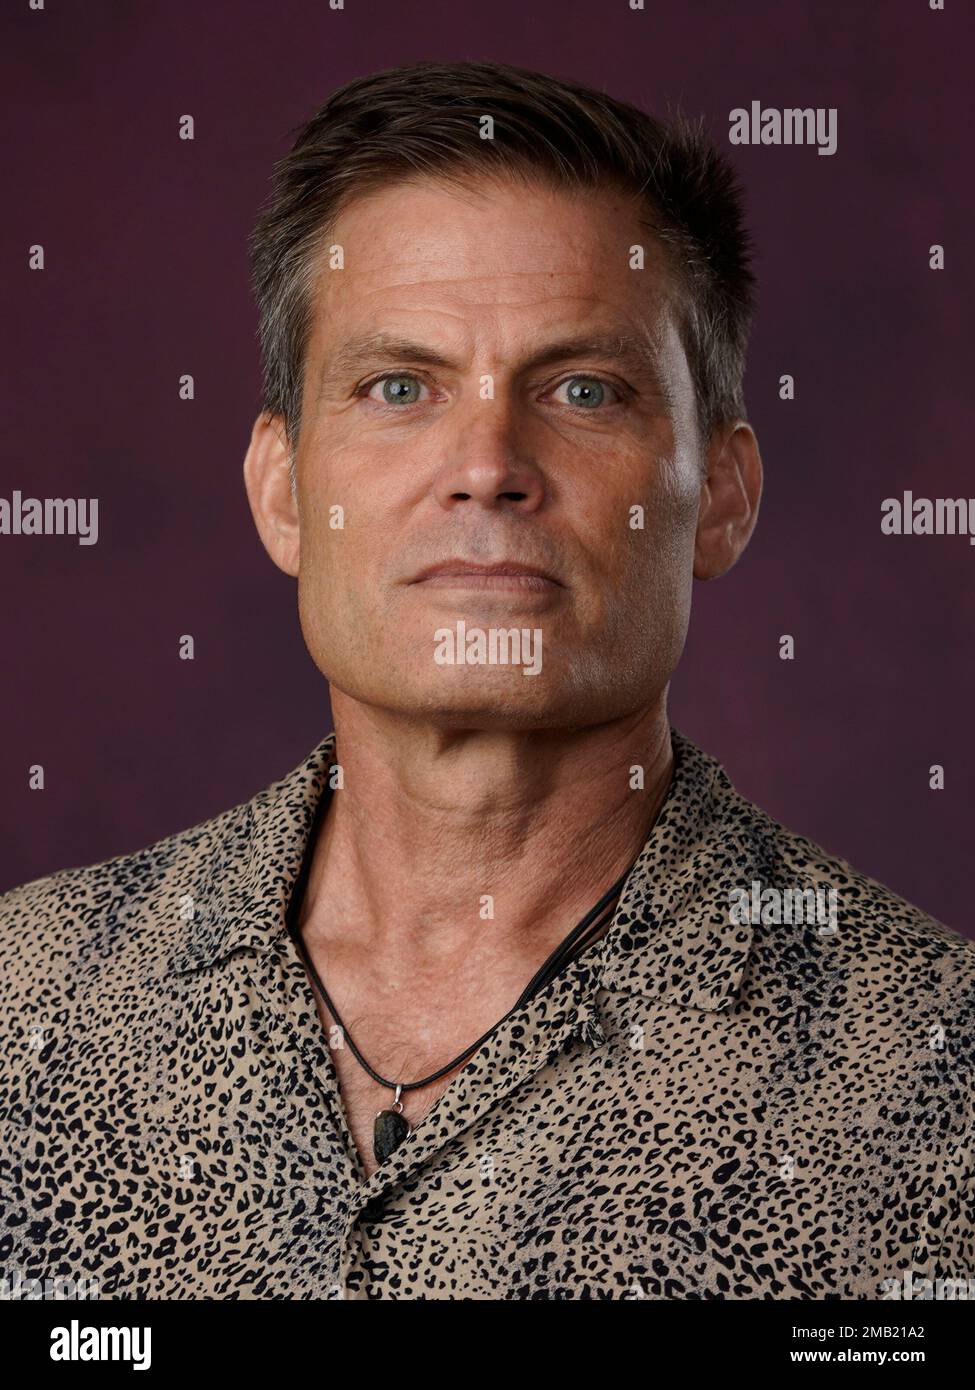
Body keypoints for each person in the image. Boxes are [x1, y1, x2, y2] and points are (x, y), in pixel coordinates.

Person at [1, 61, 971, 1301]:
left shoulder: (937, 1082)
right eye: (398, 387)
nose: (486, 467)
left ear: (721, 496)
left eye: (582, 390)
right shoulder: (23, 1012)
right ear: (284, 491)